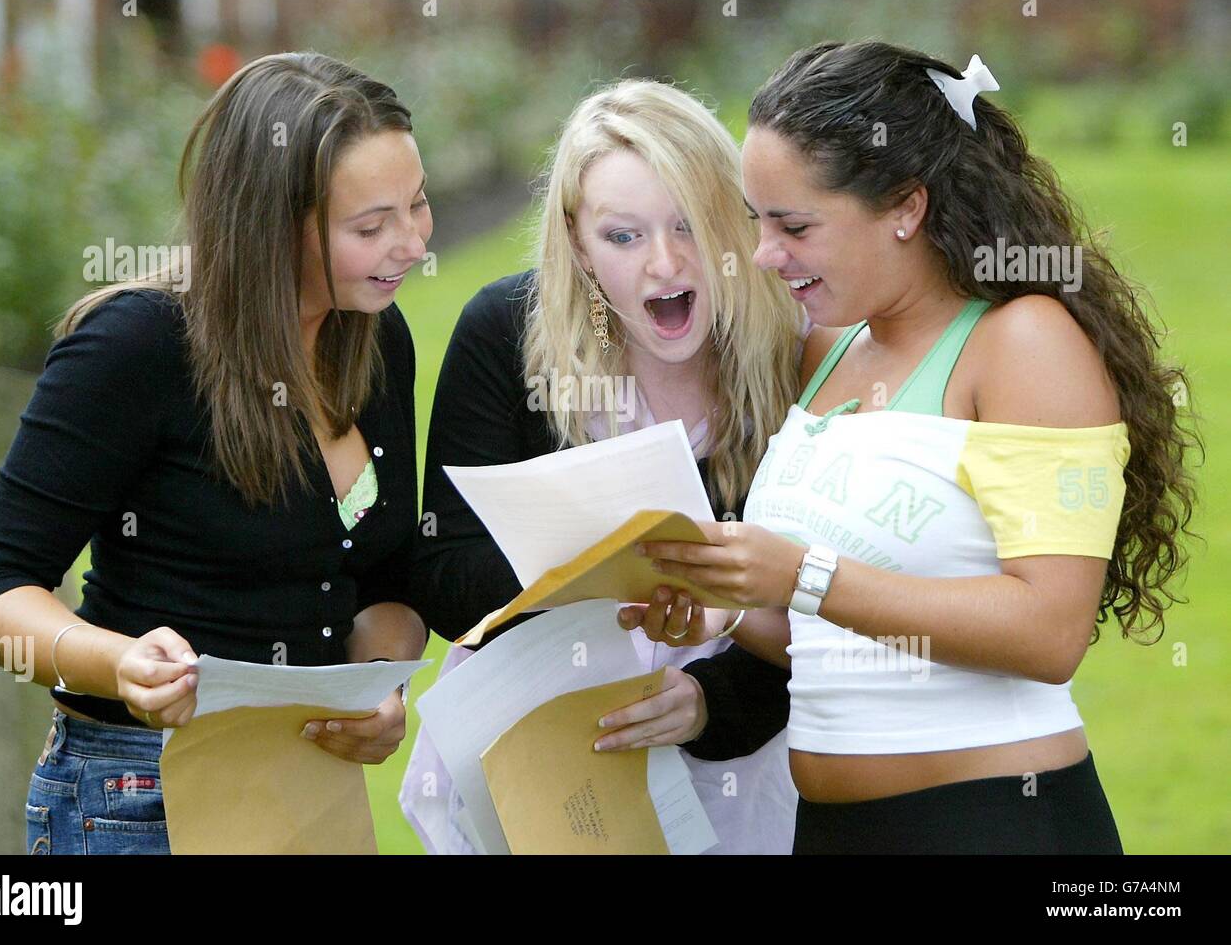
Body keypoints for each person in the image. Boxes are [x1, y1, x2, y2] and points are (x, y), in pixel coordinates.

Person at [627, 41, 1199, 854]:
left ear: (905, 206)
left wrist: (799, 575)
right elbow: (843, 637)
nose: (763, 254)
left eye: (794, 225)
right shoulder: (829, 352)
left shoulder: (1023, 344)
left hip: (994, 822)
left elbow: (1049, 631)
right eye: (758, 222)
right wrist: (730, 607)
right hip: (827, 828)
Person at [0, 52, 429, 854]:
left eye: (418, 205)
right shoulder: (136, 347)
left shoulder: (375, 340)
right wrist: (119, 663)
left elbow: (382, 577)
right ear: (271, 225)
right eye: (371, 226)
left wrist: (376, 687)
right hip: (136, 794)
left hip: (305, 789)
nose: (411, 244)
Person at [399, 78, 800, 854]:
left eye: (689, 225)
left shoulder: (792, 349)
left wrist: (712, 703)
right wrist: (585, 572)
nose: (664, 263)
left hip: (737, 766)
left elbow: (828, 604)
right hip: (542, 745)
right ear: (578, 244)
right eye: (624, 237)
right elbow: (443, 573)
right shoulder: (504, 335)